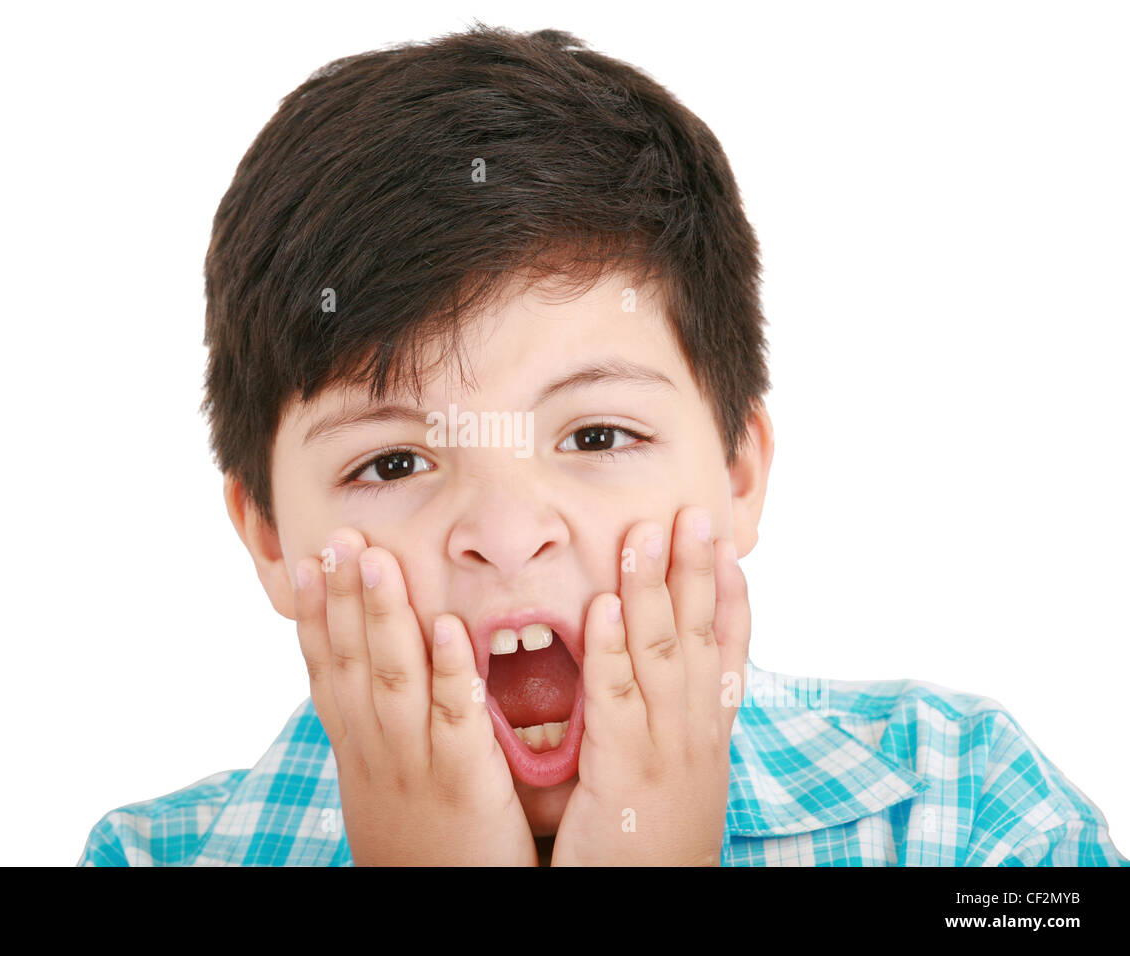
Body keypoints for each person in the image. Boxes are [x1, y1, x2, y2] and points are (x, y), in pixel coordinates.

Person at [77, 23, 1125, 866]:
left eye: (594, 433)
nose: (505, 532)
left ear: (738, 468)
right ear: (267, 534)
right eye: (391, 462)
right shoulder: (150, 856)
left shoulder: (974, 814)